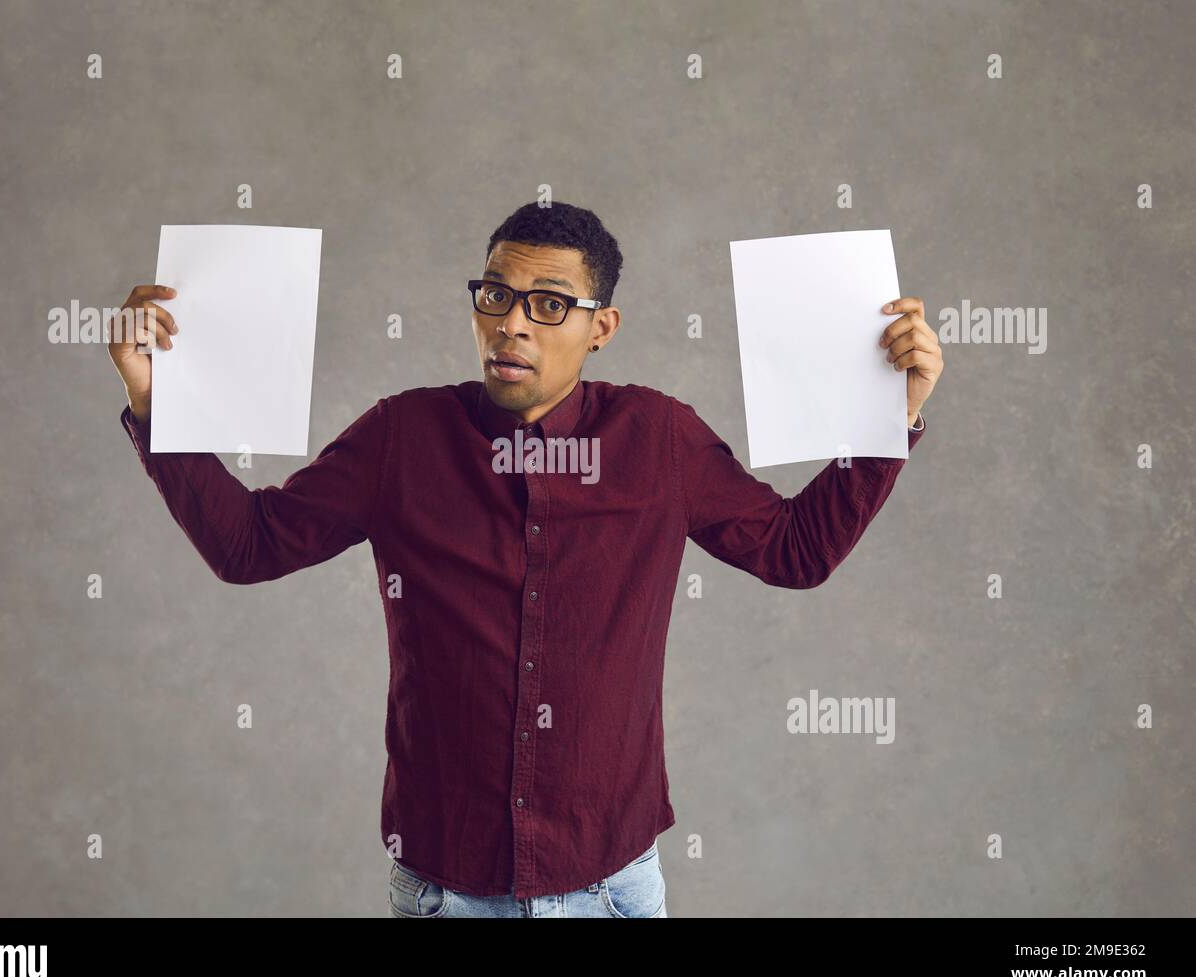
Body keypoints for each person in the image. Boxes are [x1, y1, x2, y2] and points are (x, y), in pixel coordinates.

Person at [108, 202, 943, 918]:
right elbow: (249, 545)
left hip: (612, 887)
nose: (512, 322)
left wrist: (890, 414)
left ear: (601, 328)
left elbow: (795, 552)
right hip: (446, 888)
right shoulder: (403, 438)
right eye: (498, 295)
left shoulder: (659, 440)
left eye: (548, 304)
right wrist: (156, 398)